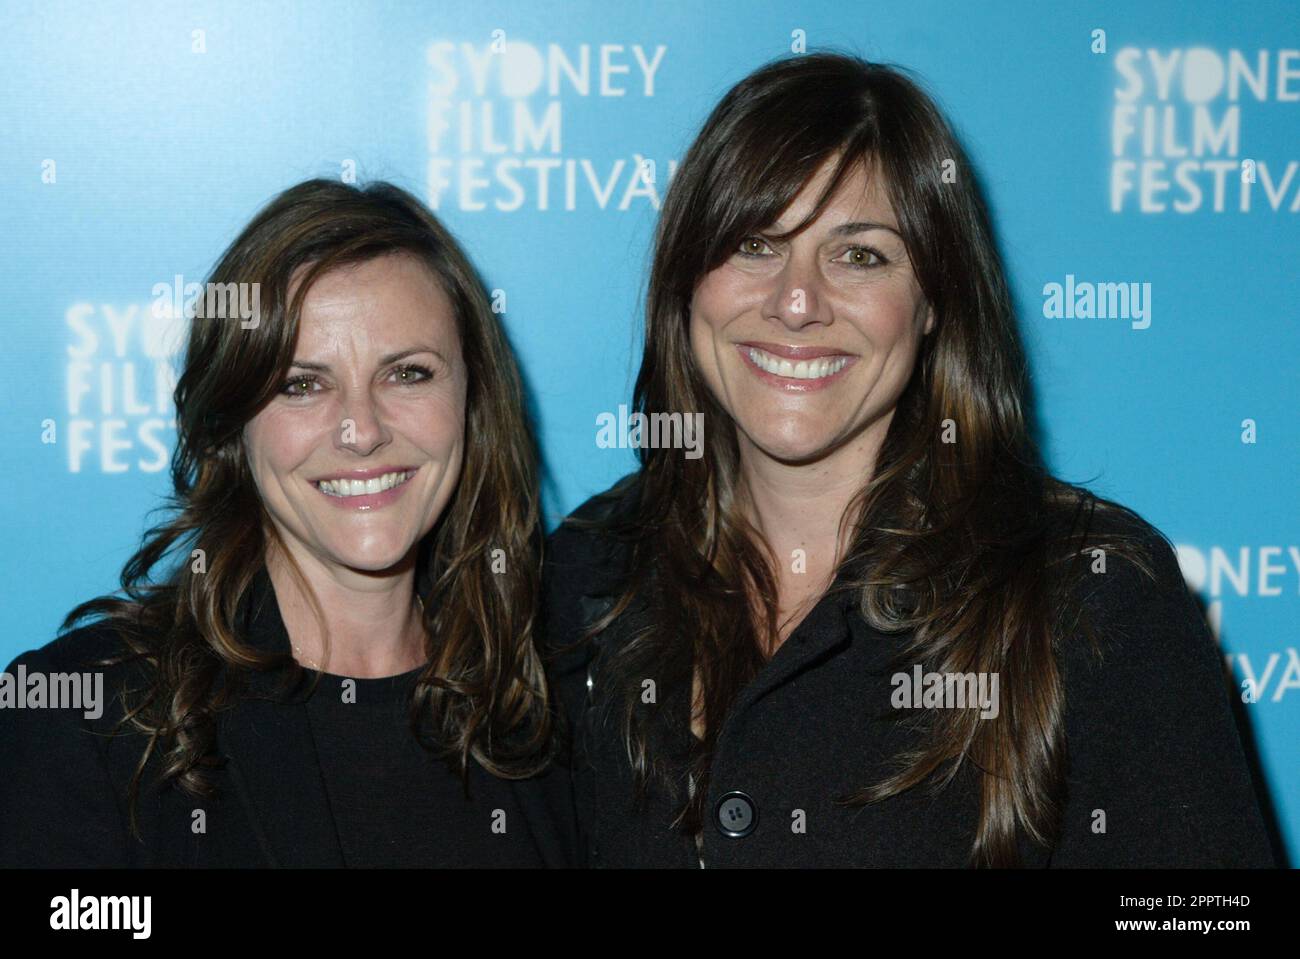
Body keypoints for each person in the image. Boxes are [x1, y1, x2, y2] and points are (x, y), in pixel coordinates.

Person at [542, 53, 1276, 868]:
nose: (796, 300)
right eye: (754, 243)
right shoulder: (591, 572)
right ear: (688, 280)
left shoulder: (1091, 591)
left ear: (934, 302)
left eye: (860, 255)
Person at [1, 179, 576, 867]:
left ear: (472, 401)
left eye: (408, 374)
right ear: (232, 426)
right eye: (302, 384)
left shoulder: (552, 700)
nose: (361, 430)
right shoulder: (86, 718)